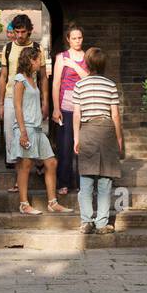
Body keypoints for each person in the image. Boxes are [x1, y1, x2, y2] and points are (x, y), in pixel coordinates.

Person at [11, 46, 72, 217]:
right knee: (25, 165)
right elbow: (17, 106)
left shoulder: (33, 79)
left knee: (51, 163)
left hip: (37, 129)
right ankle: (24, 204)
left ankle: (52, 203)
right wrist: (22, 132)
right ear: (30, 60)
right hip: (26, 128)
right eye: (38, 59)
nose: (40, 62)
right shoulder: (20, 80)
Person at [73, 47, 124, 236]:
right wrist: (119, 138)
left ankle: (86, 221)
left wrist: (76, 138)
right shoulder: (110, 85)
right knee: (105, 180)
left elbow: (77, 114)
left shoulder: (80, 85)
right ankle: (102, 223)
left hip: (87, 130)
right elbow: (115, 115)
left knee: (86, 180)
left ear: (86, 64)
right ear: (104, 65)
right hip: (107, 131)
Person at [0, 13, 48, 189]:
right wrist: (0, 103)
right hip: (12, 97)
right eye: (16, 31)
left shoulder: (37, 48)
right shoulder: (8, 48)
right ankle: (21, 178)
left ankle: (35, 166)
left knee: (33, 133)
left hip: (31, 99)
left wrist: (45, 101)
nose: (19, 35)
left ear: (29, 31)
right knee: (13, 139)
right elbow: (3, 77)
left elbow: (43, 77)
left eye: (23, 32)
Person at [51, 23, 86, 195]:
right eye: (74, 38)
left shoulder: (87, 56)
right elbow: (56, 83)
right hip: (66, 106)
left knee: (83, 146)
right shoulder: (61, 57)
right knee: (65, 146)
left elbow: (89, 78)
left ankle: (82, 183)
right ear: (68, 39)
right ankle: (63, 182)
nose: (77, 41)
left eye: (79, 38)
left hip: (84, 106)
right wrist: (55, 108)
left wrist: (74, 65)